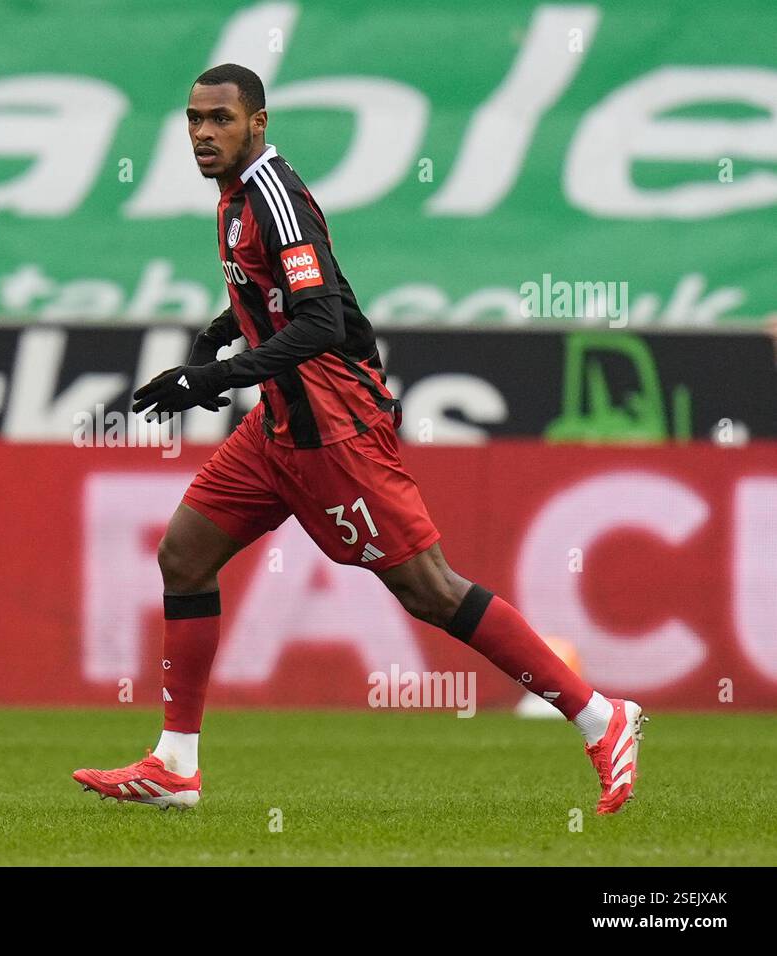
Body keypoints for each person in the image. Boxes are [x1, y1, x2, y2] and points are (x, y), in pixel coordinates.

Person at [72, 63, 645, 814]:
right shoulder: (236, 200)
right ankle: (176, 764)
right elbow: (285, 292)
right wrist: (216, 340)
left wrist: (216, 378)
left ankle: (602, 717)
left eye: (220, 119)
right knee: (184, 553)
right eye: (194, 119)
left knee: (430, 591)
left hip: (334, 428)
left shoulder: (275, 198)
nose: (204, 133)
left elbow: (321, 323)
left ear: (258, 124)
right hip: (277, 425)